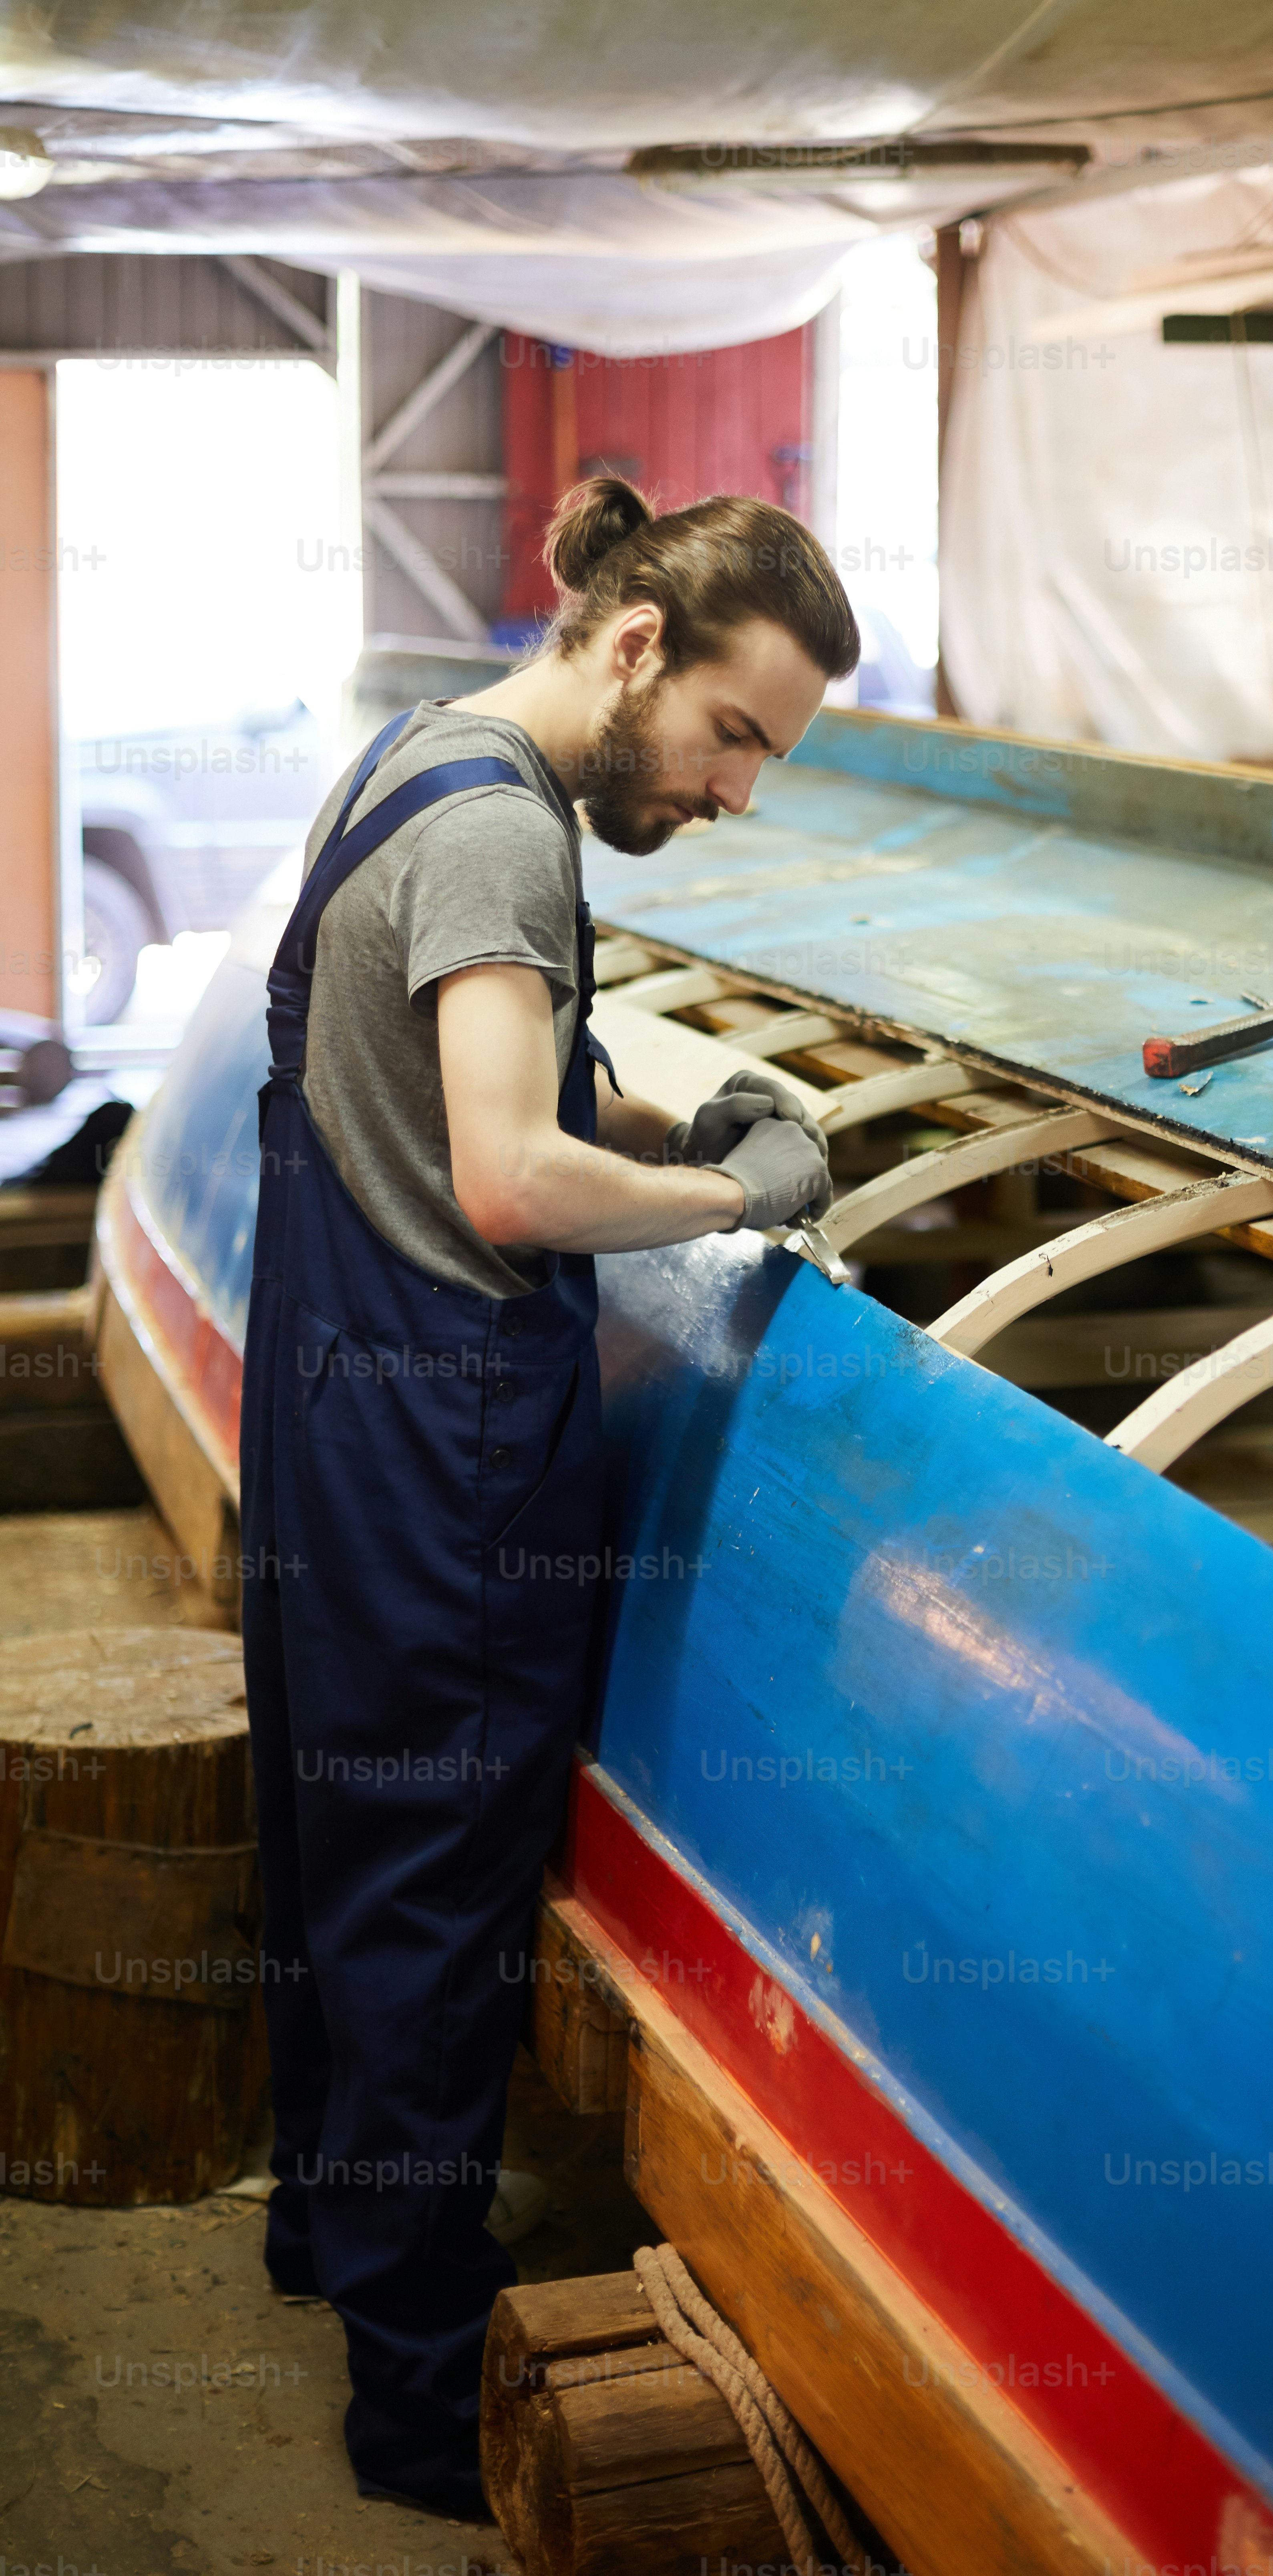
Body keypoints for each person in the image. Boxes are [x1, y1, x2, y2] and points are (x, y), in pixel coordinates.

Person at [238, 479, 861, 2520]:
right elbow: (509, 1180)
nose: (741, 789)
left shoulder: (419, 764)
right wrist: (730, 1197)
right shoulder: (513, 830)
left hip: (330, 1404)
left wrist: (682, 1111)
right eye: (737, 735)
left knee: (339, 1837)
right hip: (448, 1453)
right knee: (437, 1902)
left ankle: (331, 2241)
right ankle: (422, 2403)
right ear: (630, 649)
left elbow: (504, 1075)